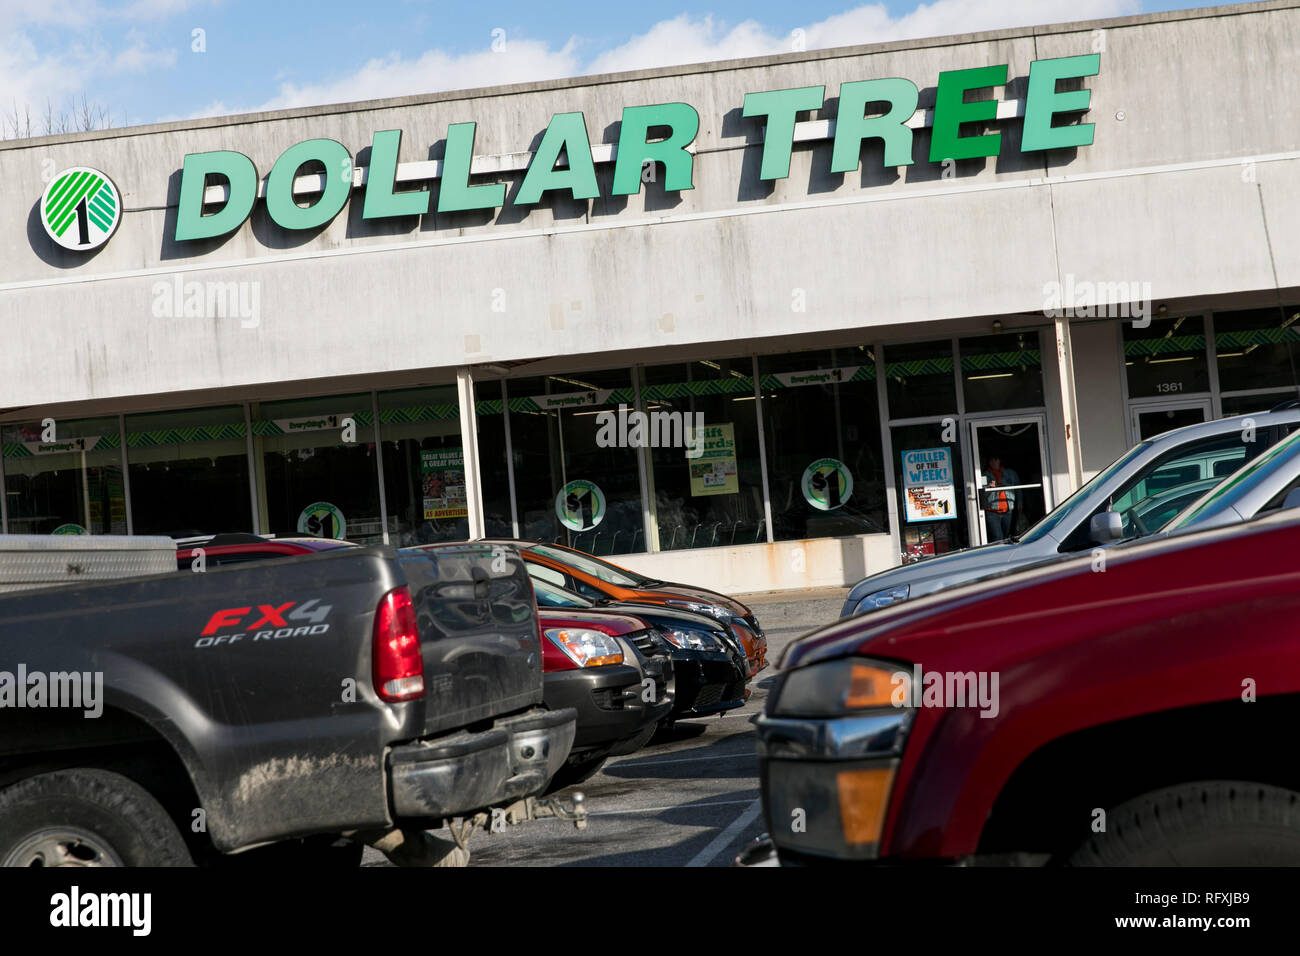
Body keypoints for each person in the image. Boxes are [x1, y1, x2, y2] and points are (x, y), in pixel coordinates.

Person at [983, 454, 1020, 542]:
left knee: (1006, 536)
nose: (994, 462)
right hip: (992, 511)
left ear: (1000, 461)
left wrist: (1020, 501)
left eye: (996, 460)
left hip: (1007, 510)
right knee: (997, 537)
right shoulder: (985, 475)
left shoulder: (1010, 473)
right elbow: (981, 494)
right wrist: (989, 488)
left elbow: (1018, 488)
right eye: (991, 461)